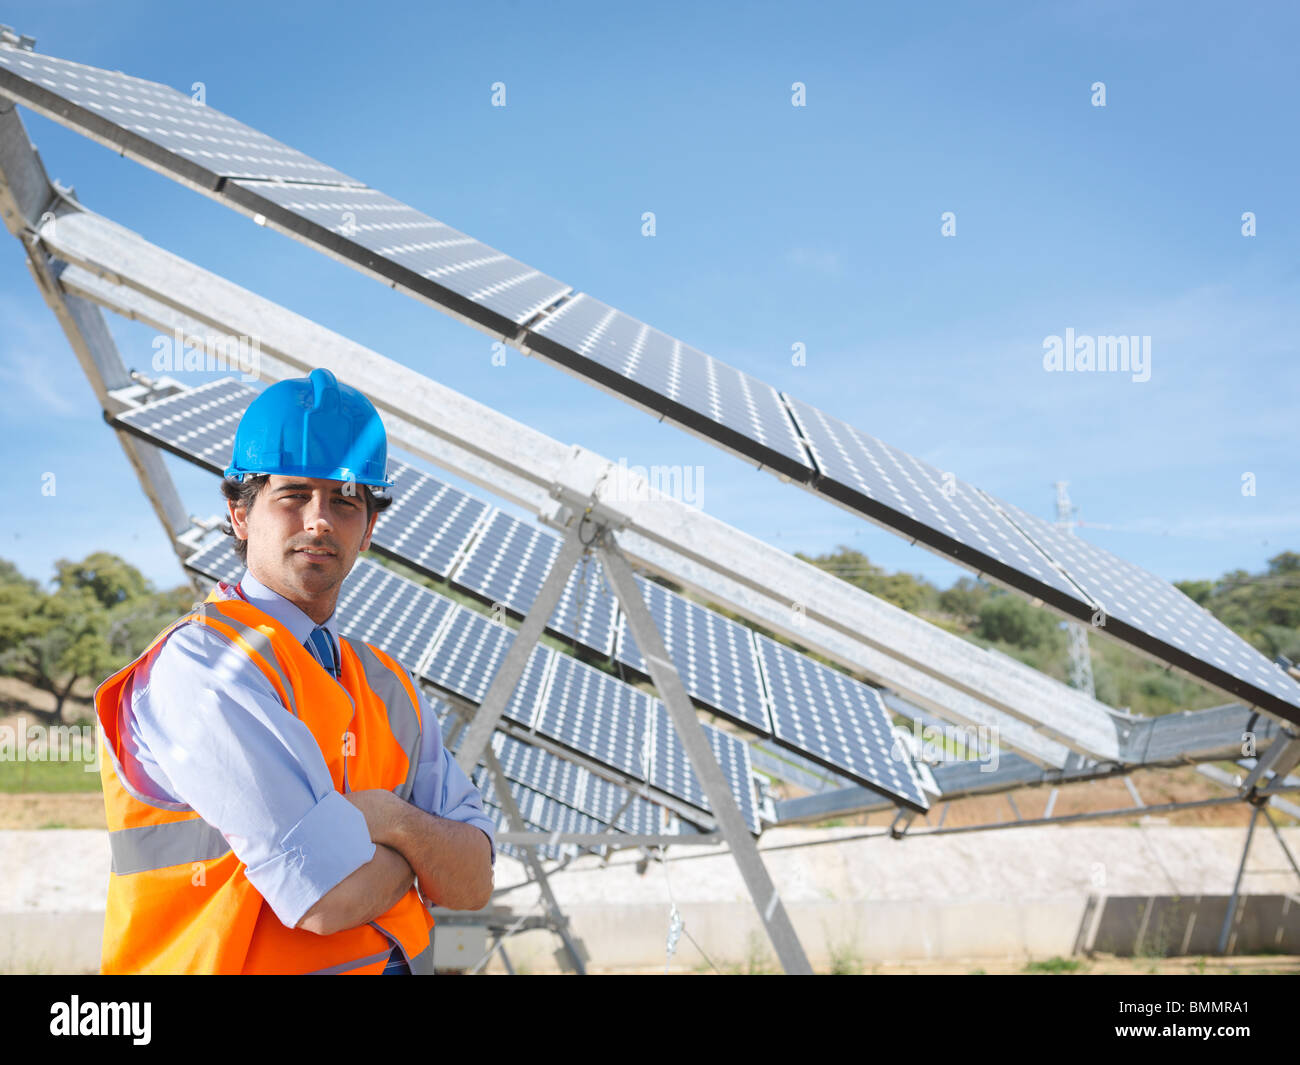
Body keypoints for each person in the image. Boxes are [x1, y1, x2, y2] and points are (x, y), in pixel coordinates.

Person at [93, 367, 494, 974]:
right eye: (294, 495)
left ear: (369, 530)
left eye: (345, 500)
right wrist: (421, 850)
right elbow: (327, 898)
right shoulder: (203, 665)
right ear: (239, 512)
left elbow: (472, 881)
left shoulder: (388, 681)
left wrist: (388, 820)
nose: (320, 520)